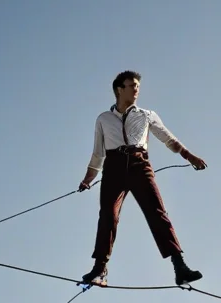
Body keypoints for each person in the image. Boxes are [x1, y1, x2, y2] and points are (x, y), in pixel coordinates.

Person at [78, 70, 206, 287]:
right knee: (108, 215)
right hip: (113, 167)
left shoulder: (146, 115)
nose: (136, 89)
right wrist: (88, 178)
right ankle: (100, 270)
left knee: (157, 212)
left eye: (137, 86)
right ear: (119, 89)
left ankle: (179, 267)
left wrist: (189, 156)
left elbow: (168, 139)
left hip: (140, 165)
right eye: (132, 85)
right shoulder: (104, 119)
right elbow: (98, 153)